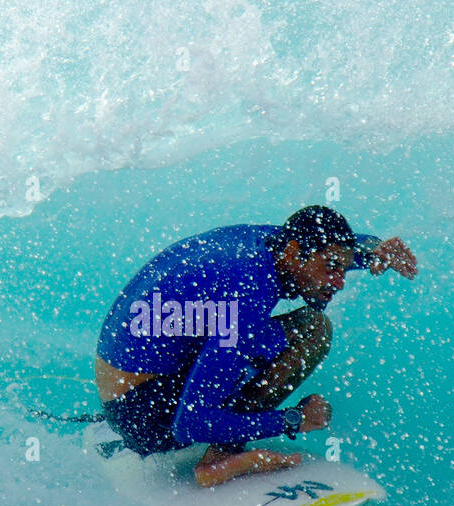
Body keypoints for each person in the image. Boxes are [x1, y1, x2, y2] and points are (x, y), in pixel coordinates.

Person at [94, 205, 417, 487]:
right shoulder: (246, 295)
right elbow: (189, 425)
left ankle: (214, 431)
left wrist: (375, 250)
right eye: (331, 269)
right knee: (311, 330)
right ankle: (218, 460)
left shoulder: (268, 245)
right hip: (149, 417)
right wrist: (293, 420)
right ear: (292, 252)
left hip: (133, 394)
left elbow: (335, 249)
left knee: (232, 338)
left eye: (342, 267)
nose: (339, 282)